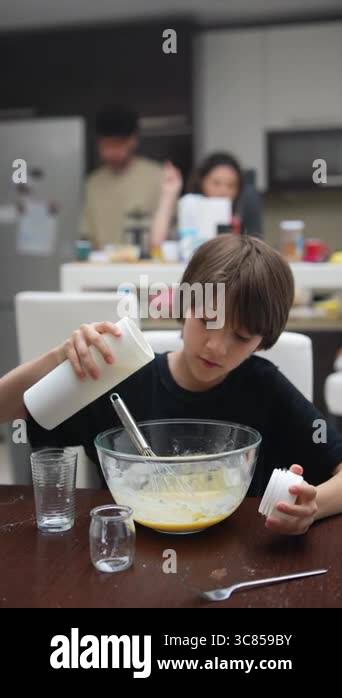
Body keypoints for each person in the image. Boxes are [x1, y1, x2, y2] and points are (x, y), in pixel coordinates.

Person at [1, 235, 342, 536]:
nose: (216, 347)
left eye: (241, 337)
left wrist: (312, 508)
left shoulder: (265, 389)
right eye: (207, 319)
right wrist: (58, 360)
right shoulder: (121, 376)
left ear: (262, 341)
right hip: (123, 556)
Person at [79, 104, 162, 249]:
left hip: (146, 267)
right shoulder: (93, 182)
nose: (110, 152)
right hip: (99, 266)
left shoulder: (157, 177)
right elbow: (85, 235)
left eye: (117, 145)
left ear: (133, 140)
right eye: (105, 145)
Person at [150, 152, 263, 248]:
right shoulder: (190, 206)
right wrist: (168, 194)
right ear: (202, 182)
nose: (223, 191)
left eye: (231, 185)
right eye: (216, 183)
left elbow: (256, 249)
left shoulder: (243, 209)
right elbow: (157, 244)